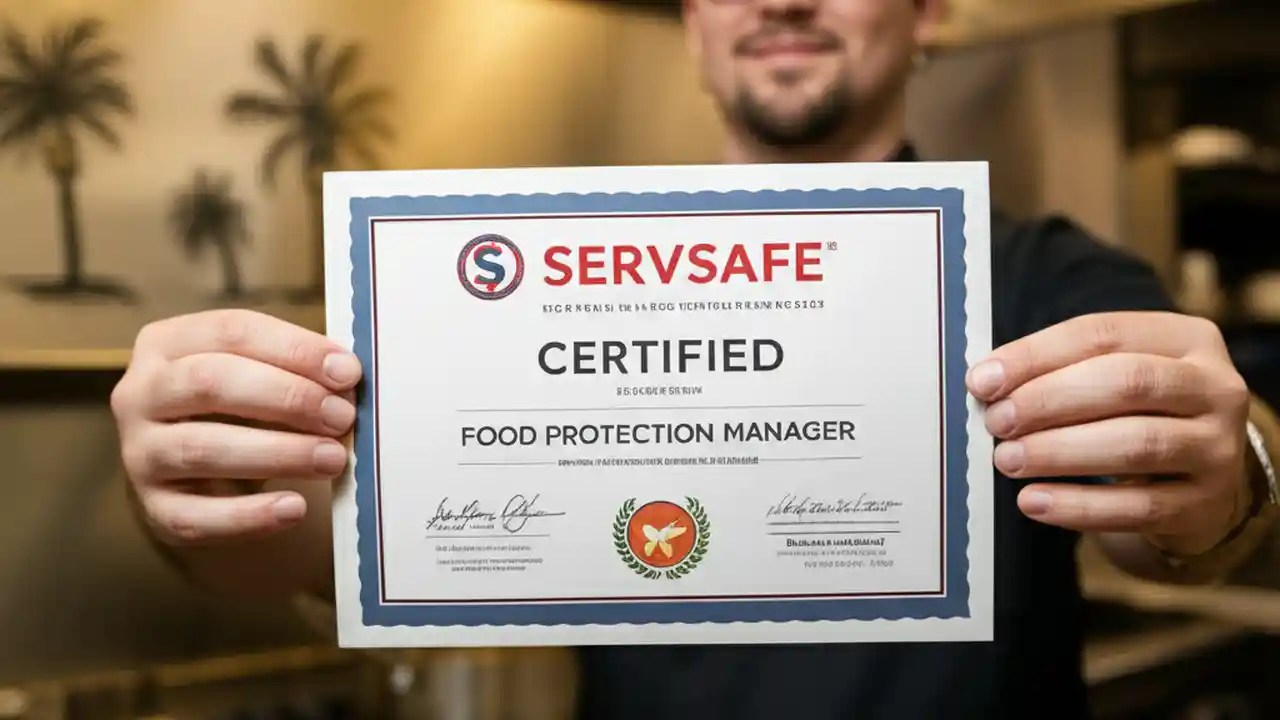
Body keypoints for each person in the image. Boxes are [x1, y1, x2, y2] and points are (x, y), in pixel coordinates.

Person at [110, 0, 1280, 717]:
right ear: (693, 23)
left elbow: (1186, 514)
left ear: (927, 13)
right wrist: (199, 497)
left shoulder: (1034, 274)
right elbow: (319, 558)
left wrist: (1220, 472)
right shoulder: (496, 300)